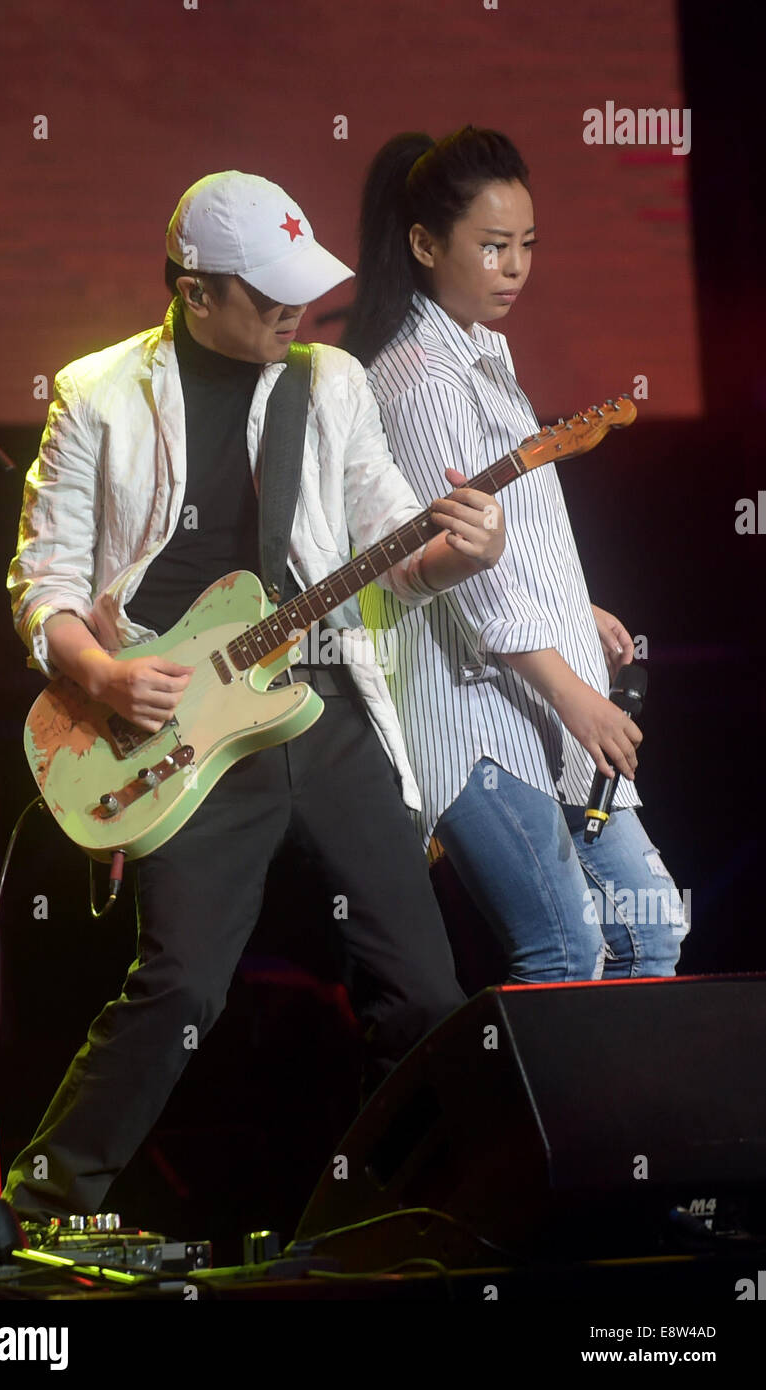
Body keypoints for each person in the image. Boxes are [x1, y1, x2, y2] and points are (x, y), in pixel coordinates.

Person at [3, 169, 506, 1223]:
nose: (295, 311)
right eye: (268, 293)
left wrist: (457, 557)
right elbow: (42, 584)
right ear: (195, 290)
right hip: (179, 721)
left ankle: (392, 1212)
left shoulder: (330, 383)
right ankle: (43, 1204)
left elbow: (389, 547)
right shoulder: (95, 392)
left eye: (300, 289)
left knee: (424, 991)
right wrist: (102, 675)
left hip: (320, 704)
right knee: (182, 985)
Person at [343, 128, 689, 984]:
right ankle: (542, 1124)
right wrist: (576, 696)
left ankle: (618, 1123)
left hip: (538, 694)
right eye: (491, 247)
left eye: (525, 246)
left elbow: (515, 535)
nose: (513, 268)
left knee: (650, 936)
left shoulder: (481, 350)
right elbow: (465, 570)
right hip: (479, 715)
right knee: (566, 950)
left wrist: (581, 614)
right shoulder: (420, 376)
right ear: (424, 245)